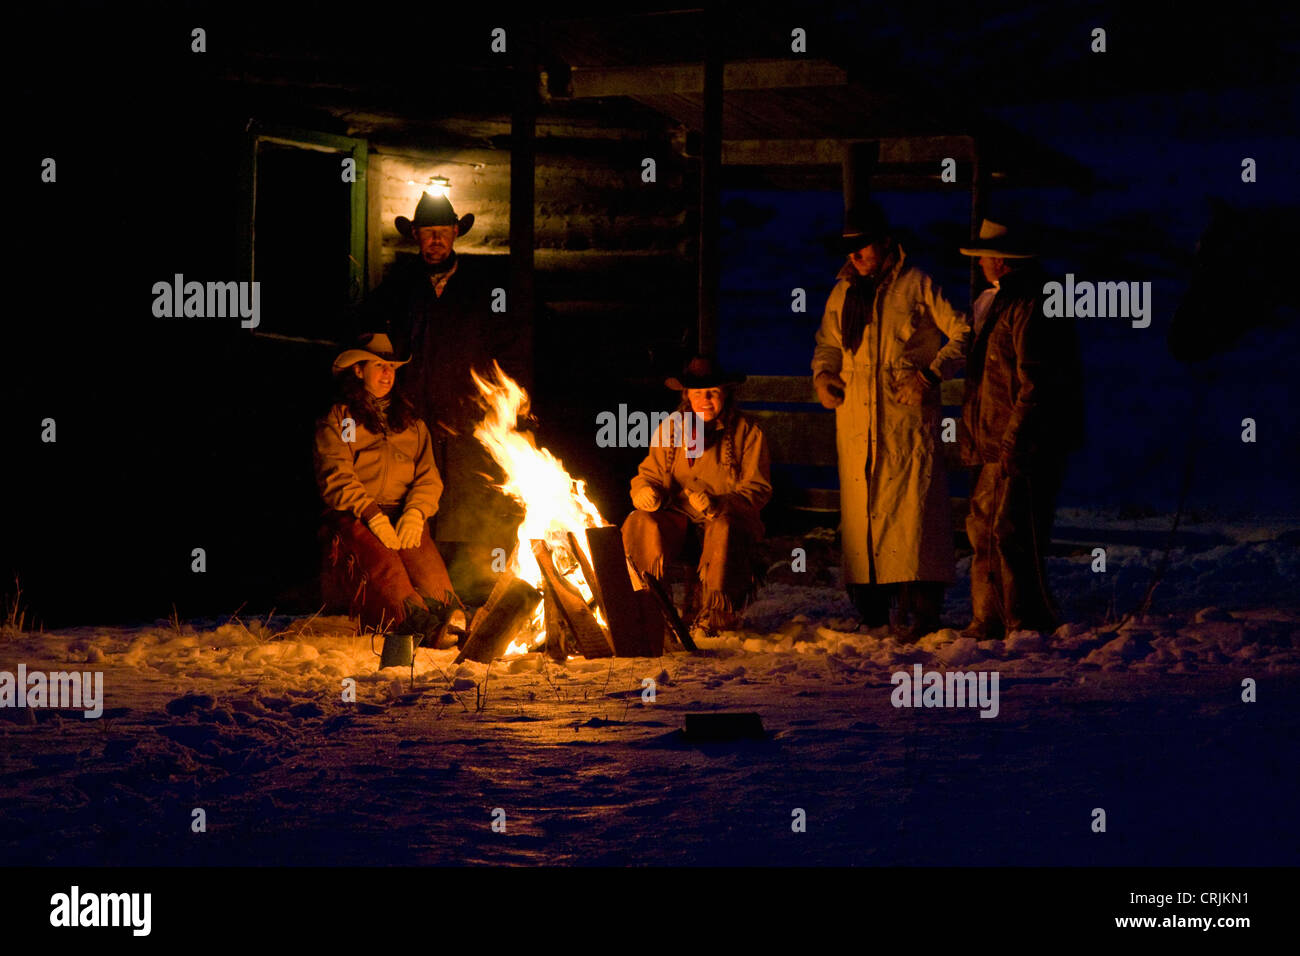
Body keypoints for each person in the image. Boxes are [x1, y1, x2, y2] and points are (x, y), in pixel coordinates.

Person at [811, 202, 971, 638]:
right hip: (857, 421)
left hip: (905, 420)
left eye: (862, 248)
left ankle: (922, 608)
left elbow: (963, 333)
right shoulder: (844, 292)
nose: (855, 257)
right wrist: (825, 375)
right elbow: (827, 342)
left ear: (884, 244)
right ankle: (873, 608)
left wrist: (929, 374)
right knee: (863, 516)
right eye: (850, 250)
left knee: (913, 514)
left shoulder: (918, 284)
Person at [362, 190, 529, 602]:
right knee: (417, 502)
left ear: (456, 233)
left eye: (442, 232)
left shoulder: (484, 289)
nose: (435, 241)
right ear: (415, 236)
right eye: (426, 233)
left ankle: (475, 596)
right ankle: (425, 598)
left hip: (471, 419)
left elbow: (512, 350)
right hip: (412, 417)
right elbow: (374, 349)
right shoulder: (397, 290)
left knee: (474, 505)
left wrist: (506, 409)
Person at [957, 221, 1084, 639]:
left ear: (1002, 260)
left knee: (1008, 530)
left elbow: (1035, 380)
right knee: (988, 527)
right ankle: (995, 615)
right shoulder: (1004, 301)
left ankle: (1019, 617)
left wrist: (1016, 437)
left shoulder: (1029, 304)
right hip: (1000, 436)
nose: (981, 265)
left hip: (1016, 439)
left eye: (985, 257)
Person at [314, 333, 462, 645]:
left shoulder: (410, 423)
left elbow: (428, 477)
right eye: (379, 365)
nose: (387, 373)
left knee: (441, 597)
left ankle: (450, 624)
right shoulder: (341, 418)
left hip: (402, 514)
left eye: (391, 367)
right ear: (358, 370)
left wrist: (415, 513)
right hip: (356, 518)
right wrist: (373, 516)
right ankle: (417, 627)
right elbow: (336, 476)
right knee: (392, 582)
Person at [622, 356, 772, 635]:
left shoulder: (748, 432)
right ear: (687, 395)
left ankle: (715, 616)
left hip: (725, 522)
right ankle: (647, 609)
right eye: (698, 393)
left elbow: (758, 489)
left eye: (712, 392)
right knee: (640, 521)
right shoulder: (670, 428)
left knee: (724, 527)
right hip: (679, 521)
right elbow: (650, 474)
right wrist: (644, 492)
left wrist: (720, 503)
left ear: (725, 393)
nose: (705, 400)